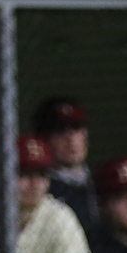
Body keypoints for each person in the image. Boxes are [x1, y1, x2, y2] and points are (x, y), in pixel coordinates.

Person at [33, 97, 96, 232]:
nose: (71, 139)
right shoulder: (38, 190)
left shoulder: (100, 184)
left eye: (77, 128)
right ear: (43, 138)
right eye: (60, 130)